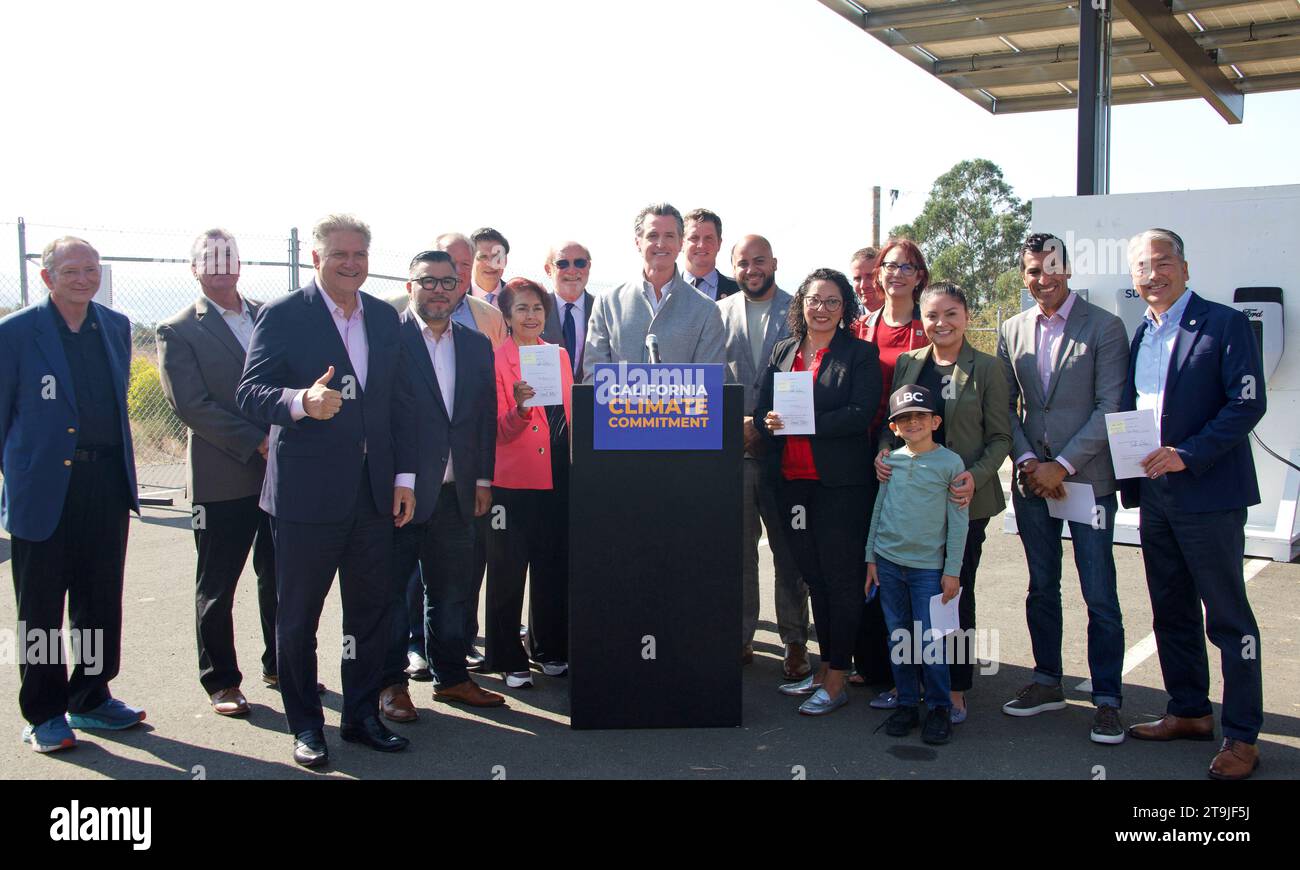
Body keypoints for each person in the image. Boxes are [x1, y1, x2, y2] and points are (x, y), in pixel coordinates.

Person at [236, 214, 416, 767]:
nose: (351, 263)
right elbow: (249, 392)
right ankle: (306, 727)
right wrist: (299, 403)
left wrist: (404, 477)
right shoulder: (285, 315)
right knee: (298, 619)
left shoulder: (386, 318)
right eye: (340, 254)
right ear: (316, 258)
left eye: (359, 254)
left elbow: (400, 403)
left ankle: (361, 717)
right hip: (307, 498)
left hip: (372, 495)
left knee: (368, 614)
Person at [1119, 229, 1266, 780]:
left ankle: (1244, 736)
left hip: (1209, 493)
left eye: (1161, 262)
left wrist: (1188, 452)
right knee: (1171, 609)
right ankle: (1189, 711)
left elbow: (1246, 403)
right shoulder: (1143, 333)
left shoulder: (1224, 324)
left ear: (1184, 266)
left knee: (1229, 619)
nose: (1151, 274)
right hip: (1155, 495)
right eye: (1141, 266)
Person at [1, 236, 144, 752]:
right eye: (70, 271)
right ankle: (43, 712)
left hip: (104, 483)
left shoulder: (116, 327)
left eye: (91, 269)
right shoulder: (15, 334)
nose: (84, 279)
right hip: (42, 489)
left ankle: (90, 697)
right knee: (39, 606)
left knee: (98, 598)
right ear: (46, 277)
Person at [997, 233, 1130, 744]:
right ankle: (1047, 680)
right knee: (1041, 587)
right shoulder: (1012, 329)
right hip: (1032, 480)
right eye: (1031, 271)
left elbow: (1110, 408)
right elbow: (1006, 407)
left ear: (1068, 269)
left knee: (1099, 594)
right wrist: (1031, 461)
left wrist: (1065, 464)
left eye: (1050, 268)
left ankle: (1108, 699)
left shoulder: (1106, 327)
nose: (1041, 279)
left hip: (1087, 481)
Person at [157, 229, 283, 717]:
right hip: (224, 478)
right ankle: (223, 681)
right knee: (217, 585)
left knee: (279, 577)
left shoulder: (267, 315)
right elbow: (191, 405)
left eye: (227, 255)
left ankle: (281, 665)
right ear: (194, 268)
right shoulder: (179, 329)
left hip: (280, 475)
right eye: (208, 258)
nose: (220, 264)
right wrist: (256, 440)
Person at [880, 282, 1011, 723]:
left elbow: (1001, 437)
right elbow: (891, 422)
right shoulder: (908, 363)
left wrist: (974, 476)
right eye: (932, 315)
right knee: (908, 597)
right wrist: (884, 451)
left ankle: (954, 686)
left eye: (951, 314)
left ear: (967, 315)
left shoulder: (989, 369)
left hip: (963, 501)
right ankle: (912, 684)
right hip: (912, 503)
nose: (941, 323)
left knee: (952, 595)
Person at [754, 268, 879, 716]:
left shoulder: (859, 354)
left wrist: (807, 424)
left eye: (831, 301)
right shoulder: (784, 350)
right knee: (815, 579)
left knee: (842, 581)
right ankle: (824, 666)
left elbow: (860, 413)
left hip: (840, 486)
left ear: (845, 307)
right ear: (800, 304)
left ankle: (840, 677)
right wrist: (770, 422)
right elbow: (763, 404)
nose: (821, 309)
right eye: (814, 300)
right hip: (791, 482)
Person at [395, 250, 505, 711]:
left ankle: (452, 677)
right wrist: (399, 477)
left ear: (460, 288)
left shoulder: (476, 343)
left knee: (452, 592)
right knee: (388, 595)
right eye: (428, 281)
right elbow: (384, 418)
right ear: (410, 286)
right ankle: (390, 684)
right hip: (399, 492)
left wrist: (481, 478)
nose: (439, 290)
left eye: (447, 282)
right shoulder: (387, 338)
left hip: (457, 491)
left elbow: (481, 417)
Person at [718, 234, 810, 677]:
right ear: (732, 267)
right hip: (732, 453)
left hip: (782, 452)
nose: (752, 269)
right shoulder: (718, 312)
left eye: (759, 260)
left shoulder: (800, 311)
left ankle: (795, 642)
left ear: (773, 262)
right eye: (743, 262)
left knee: (789, 552)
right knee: (737, 553)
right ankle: (739, 638)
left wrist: (762, 425)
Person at [866, 384, 968, 745]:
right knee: (899, 636)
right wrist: (870, 558)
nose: (912, 423)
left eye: (920, 417)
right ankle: (907, 703)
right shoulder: (890, 461)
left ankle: (939, 707)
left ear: (935, 421)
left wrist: (951, 570)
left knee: (931, 642)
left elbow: (958, 520)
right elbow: (879, 509)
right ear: (893, 427)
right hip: (889, 563)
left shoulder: (950, 463)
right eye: (903, 419)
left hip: (927, 569)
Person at [485, 278, 574, 688]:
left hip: (558, 476)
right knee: (507, 570)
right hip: (513, 481)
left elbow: (571, 417)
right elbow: (497, 431)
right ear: (506, 316)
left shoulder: (558, 355)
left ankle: (550, 647)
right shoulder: (498, 360)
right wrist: (520, 410)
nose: (531, 316)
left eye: (537, 308)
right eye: (521, 308)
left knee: (552, 567)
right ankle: (507, 655)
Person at [853, 239, 929, 703]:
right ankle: (877, 666)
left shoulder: (929, 328)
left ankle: (925, 678)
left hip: (912, 462)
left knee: (912, 570)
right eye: (889, 266)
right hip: (861, 462)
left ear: (919, 276)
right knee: (871, 565)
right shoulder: (861, 328)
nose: (896, 273)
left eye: (907, 266)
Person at [582, 202, 726, 380]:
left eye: (669, 236)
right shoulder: (608, 303)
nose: (661, 244)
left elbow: (710, 383)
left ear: (680, 243)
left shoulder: (706, 310)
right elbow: (593, 378)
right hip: (617, 408)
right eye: (652, 235)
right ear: (638, 243)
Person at [540, 241, 595, 379]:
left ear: (588, 266)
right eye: (562, 264)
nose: (572, 270)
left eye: (580, 263)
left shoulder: (605, 310)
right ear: (548, 269)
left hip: (591, 398)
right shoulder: (535, 310)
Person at [681, 208, 738, 301]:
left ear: (719, 243)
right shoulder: (664, 290)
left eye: (708, 238)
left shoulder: (738, 292)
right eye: (694, 238)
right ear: (681, 243)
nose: (701, 245)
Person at [469, 227, 510, 306]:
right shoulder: (454, 301)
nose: (491, 264)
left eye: (497, 257)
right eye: (483, 257)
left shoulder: (520, 298)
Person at [849, 246, 882, 314]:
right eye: (857, 279)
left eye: (870, 276)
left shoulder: (906, 318)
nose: (863, 286)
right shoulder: (847, 319)